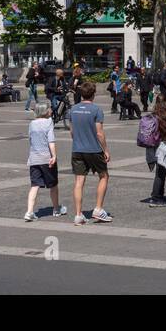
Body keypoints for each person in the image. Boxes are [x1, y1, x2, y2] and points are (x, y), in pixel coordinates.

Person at [69, 81, 112, 225]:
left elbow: (72, 131)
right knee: (104, 176)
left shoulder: (73, 109)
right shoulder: (96, 110)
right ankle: (98, 209)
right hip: (93, 150)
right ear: (93, 94)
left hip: (77, 149)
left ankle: (78, 214)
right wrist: (105, 149)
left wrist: (78, 140)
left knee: (79, 181)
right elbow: (99, 133)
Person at [23, 102, 67, 221]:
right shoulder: (48, 122)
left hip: (34, 159)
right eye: (50, 109)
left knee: (35, 185)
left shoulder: (32, 124)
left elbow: (30, 140)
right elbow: (51, 141)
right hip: (46, 158)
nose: (51, 110)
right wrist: (54, 156)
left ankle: (29, 211)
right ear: (45, 111)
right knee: (53, 184)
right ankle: (56, 208)